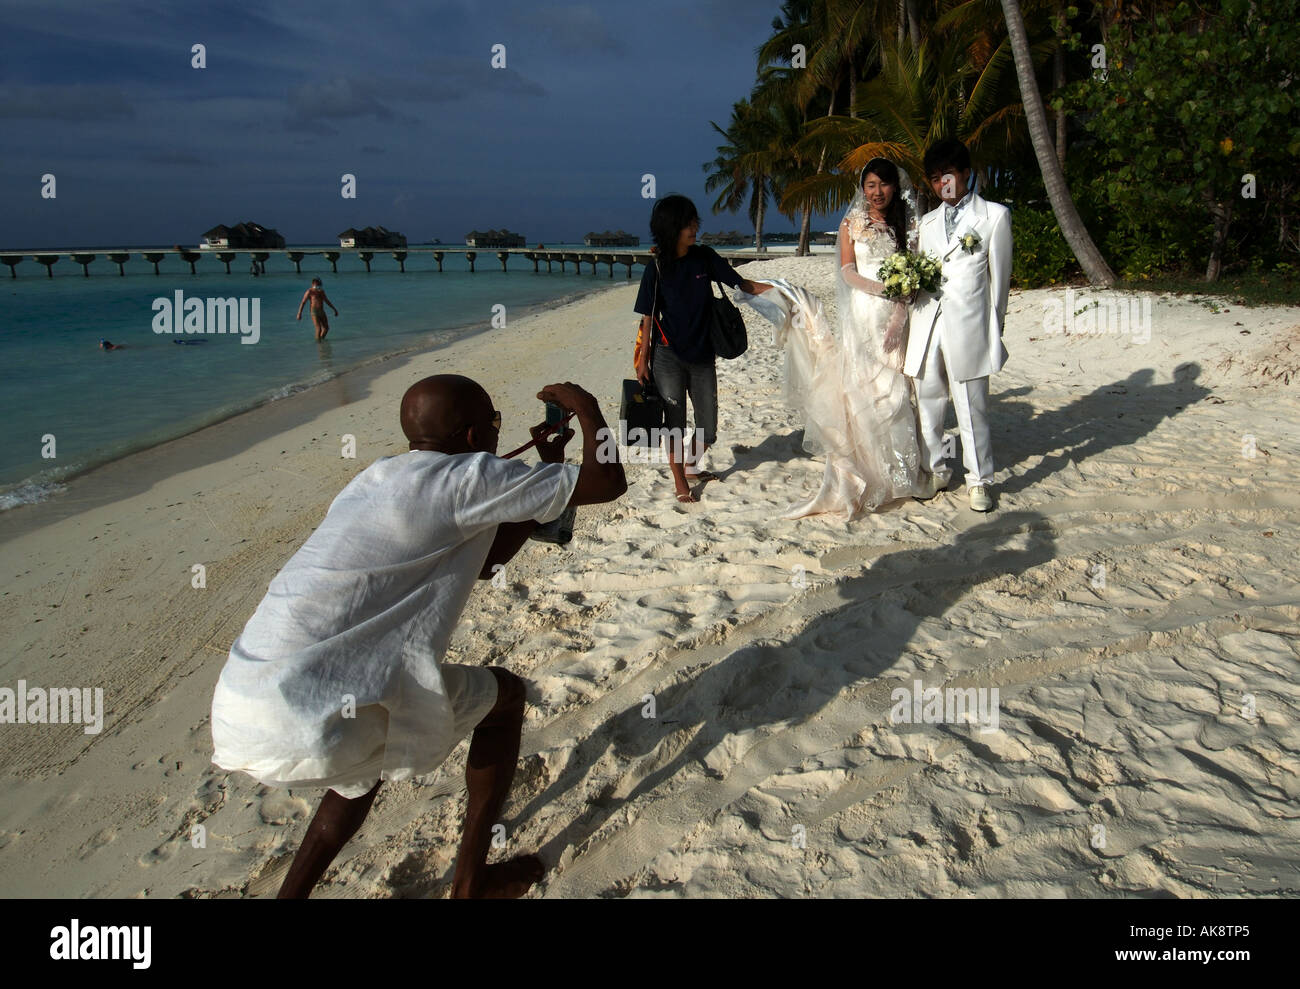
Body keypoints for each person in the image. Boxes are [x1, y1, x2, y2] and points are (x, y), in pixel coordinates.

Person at [210, 375, 626, 898]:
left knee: (363, 760)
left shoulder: (376, 477)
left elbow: (488, 561)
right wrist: (587, 408)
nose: (498, 434)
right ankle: (470, 884)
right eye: (495, 424)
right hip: (308, 711)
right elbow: (607, 484)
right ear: (475, 433)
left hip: (242, 707)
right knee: (506, 698)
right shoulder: (472, 475)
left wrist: (546, 467)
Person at [632, 195, 773, 503]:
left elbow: (741, 284)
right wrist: (643, 362)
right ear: (671, 228)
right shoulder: (656, 267)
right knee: (675, 424)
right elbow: (648, 317)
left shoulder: (704, 257)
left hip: (702, 354)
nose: (694, 227)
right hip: (667, 357)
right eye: (686, 223)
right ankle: (680, 479)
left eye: (695, 221)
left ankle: (691, 465)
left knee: (707, 428)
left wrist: (783, 290)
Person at [905, 138, 1012, 513]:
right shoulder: (927, 222)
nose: (942, 184)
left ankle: (980, 480)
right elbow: (920, 273)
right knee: (929, 404)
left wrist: (991, 332)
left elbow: (999, 284)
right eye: (934, 179)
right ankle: (935, 470)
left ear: (966, 173)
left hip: (969, 326)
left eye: (948, 175)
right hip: (926, 324)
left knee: (971, 407)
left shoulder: (994, 216)